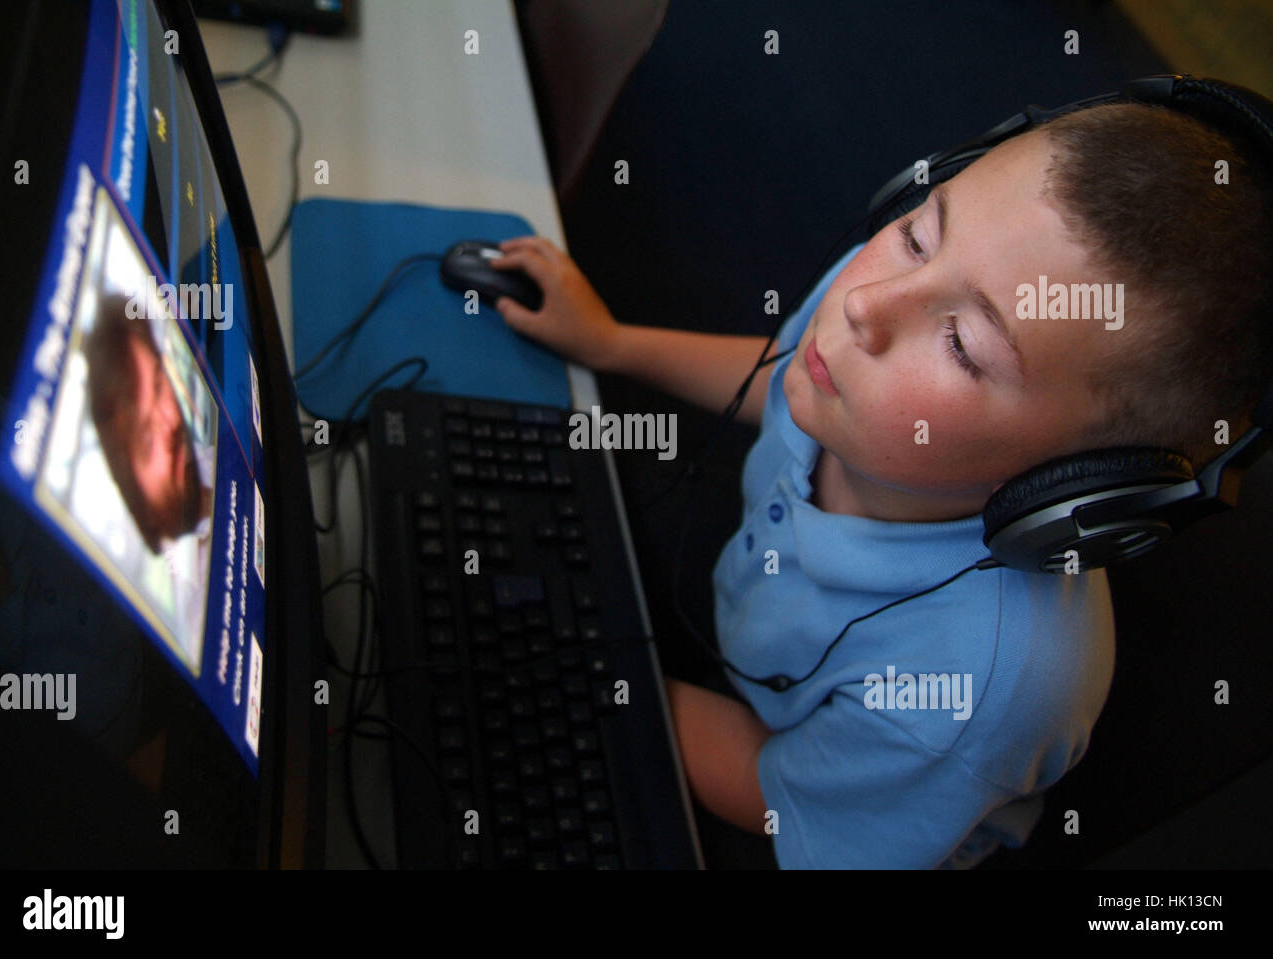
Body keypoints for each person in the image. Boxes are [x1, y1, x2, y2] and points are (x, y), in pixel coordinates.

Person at [486, 101, 1273, 867]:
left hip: (832, 798)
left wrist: (583, 669)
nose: (864, 304)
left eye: (963, 345)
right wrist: (614, 344)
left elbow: (779, 791)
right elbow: (790, 377)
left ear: (1080, 488)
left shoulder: (975, 691)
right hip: (752, 646)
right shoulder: (878, 328)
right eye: (919, 232)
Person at [85, 295, 215, 661]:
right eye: (146, 438)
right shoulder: (189, 629)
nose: (172, 424)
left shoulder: (217, 453)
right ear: (130, 489)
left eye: (160, 388)